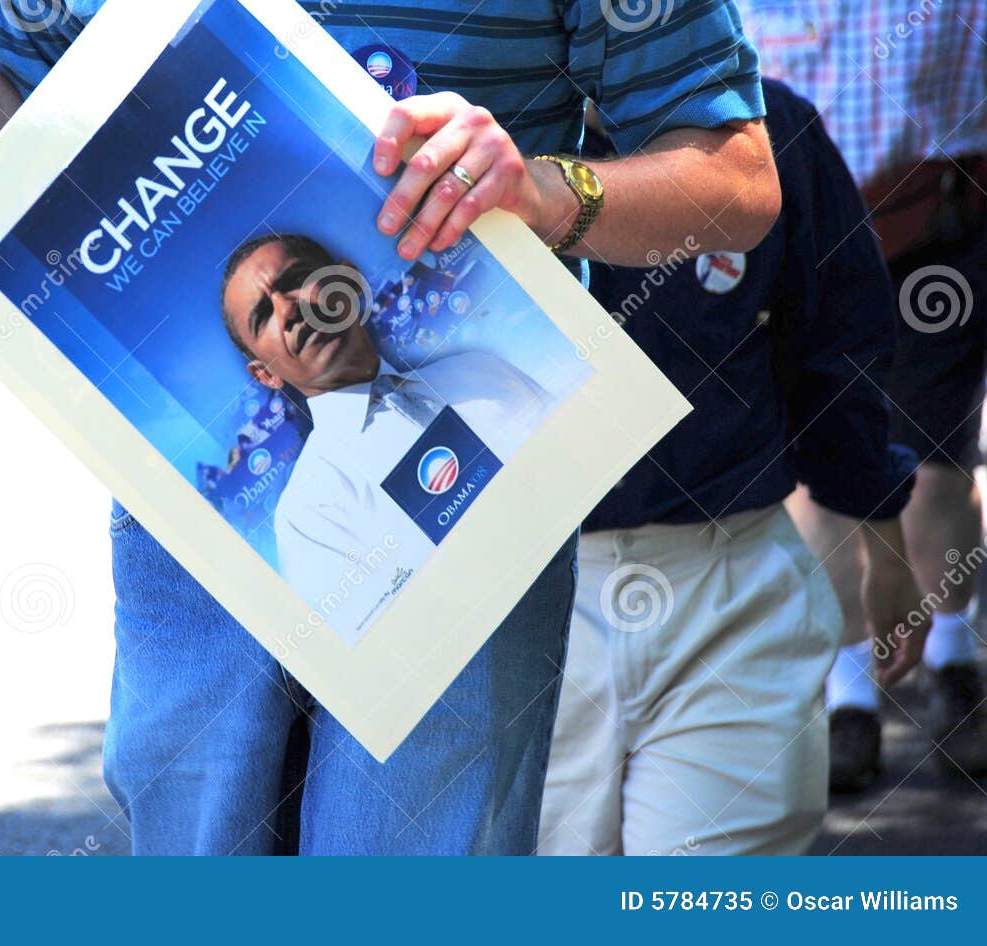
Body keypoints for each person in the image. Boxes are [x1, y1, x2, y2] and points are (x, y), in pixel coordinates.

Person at [0, 0, 781, 855]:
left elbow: (737, 179)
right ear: (257, 360)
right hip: (184, 538)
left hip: (481, 533)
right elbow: (24, 145)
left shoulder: (471, 380)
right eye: (268, 310)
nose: (297, 311)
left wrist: (551, 192)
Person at [539, 78, 922, 855]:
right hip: (515, 607)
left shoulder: (763, 128)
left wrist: (885, 546)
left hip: (729, 585)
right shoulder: (440, 127)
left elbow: (840, 355)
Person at [733, 0, 987, 789]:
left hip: (938, 235)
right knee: (818, 475)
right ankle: (850, 700)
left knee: (935, 463)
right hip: (797, 239)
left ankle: (953, 659)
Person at [219, 232, 553, 639]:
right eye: (263, 315)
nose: (288, 309)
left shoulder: (480, 372)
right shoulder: (308, 513)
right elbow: (392, 657)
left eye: (296, 280)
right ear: (265, 374)